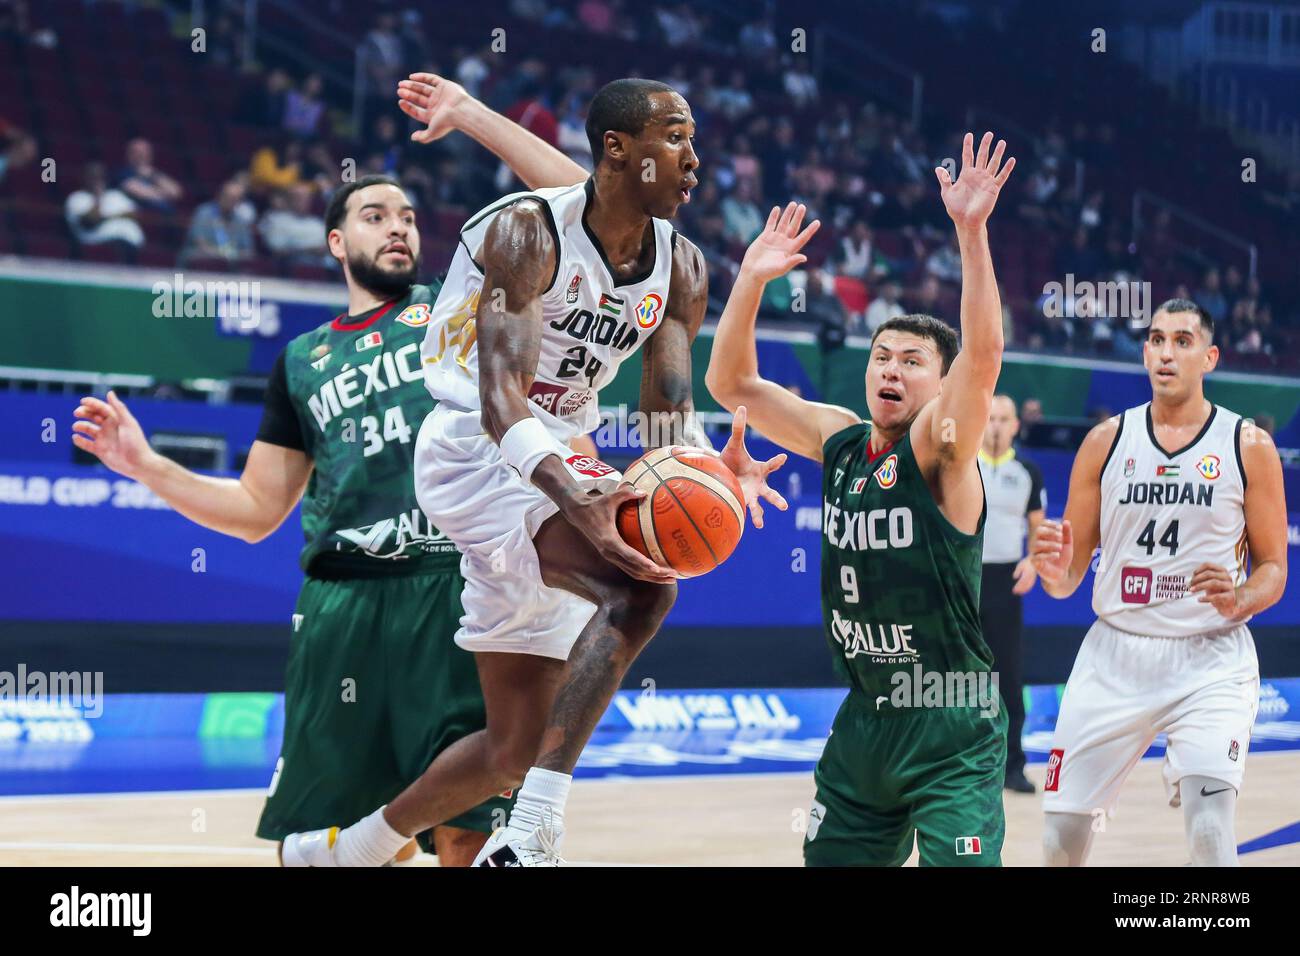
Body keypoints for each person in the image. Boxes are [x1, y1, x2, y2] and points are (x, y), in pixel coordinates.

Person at [72, 73, 592, 868]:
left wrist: (473, 117)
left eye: (410, 218)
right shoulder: (301, 360)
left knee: (467, 832)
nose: (399, 230)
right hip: (343, 607)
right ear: (334, 242)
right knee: (336, 846)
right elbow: (254, 510)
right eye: (375, 215)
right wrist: (144, 464)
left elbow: (585, 210)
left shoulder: (457, 304)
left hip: (456, 580)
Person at [282, 77, 786, 867]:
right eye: (676, 137)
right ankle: (533, 833)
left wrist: (701, 462)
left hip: (560, 450)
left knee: (513, 747)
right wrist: (573, 493)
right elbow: (499, 396)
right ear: (618, 149)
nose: (696, 159)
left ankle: (346, 851)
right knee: (644, 586)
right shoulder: (527, 232)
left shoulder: (681, 268)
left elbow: (663, 413)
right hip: (473, 448)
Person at [708, 132, 1017, 866]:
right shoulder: (840, 439)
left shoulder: (941, 450)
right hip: (866, 720)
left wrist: (971, 234)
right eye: (882, 356)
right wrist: (750, 280)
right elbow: (732, 386)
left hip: (950, 721)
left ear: (938, 387)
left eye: (912, 362)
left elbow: (984, 359)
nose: (891, 370)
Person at [1032, 298, 1287, 866]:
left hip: (1210, 658)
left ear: (1210, 356)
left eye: (1181, 341)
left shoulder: (1248, 447)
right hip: (1114, 654)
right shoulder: (1104, 442)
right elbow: (1069, 575)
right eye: (1155, 340)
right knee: (1057, 844)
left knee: (1210, 834)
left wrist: (1242, 596)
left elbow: (1274, 567)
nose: (1165, 353)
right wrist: (1056, 573)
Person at [977, 395, 1046, 793]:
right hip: (965, 580)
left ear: (1016, 425)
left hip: (1006, 580)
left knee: (1007, 675)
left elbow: (1037, 525)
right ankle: (956, 767)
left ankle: (1012, 766)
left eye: (1004, 419)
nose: (997, 426)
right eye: (990, 418)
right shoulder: (963, 464)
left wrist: (1033, 561)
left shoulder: (1028, 472)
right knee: (958, 676)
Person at [65, 162, 144, 253]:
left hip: (130, 244)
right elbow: (91, 221)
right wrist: (98, 198)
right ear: (84, 178)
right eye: (93, 177)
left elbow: (135, 214)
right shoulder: (77, 198)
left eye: (100, 177)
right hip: (98, 246)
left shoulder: (115, 195)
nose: (97, 180)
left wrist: (105, 218)